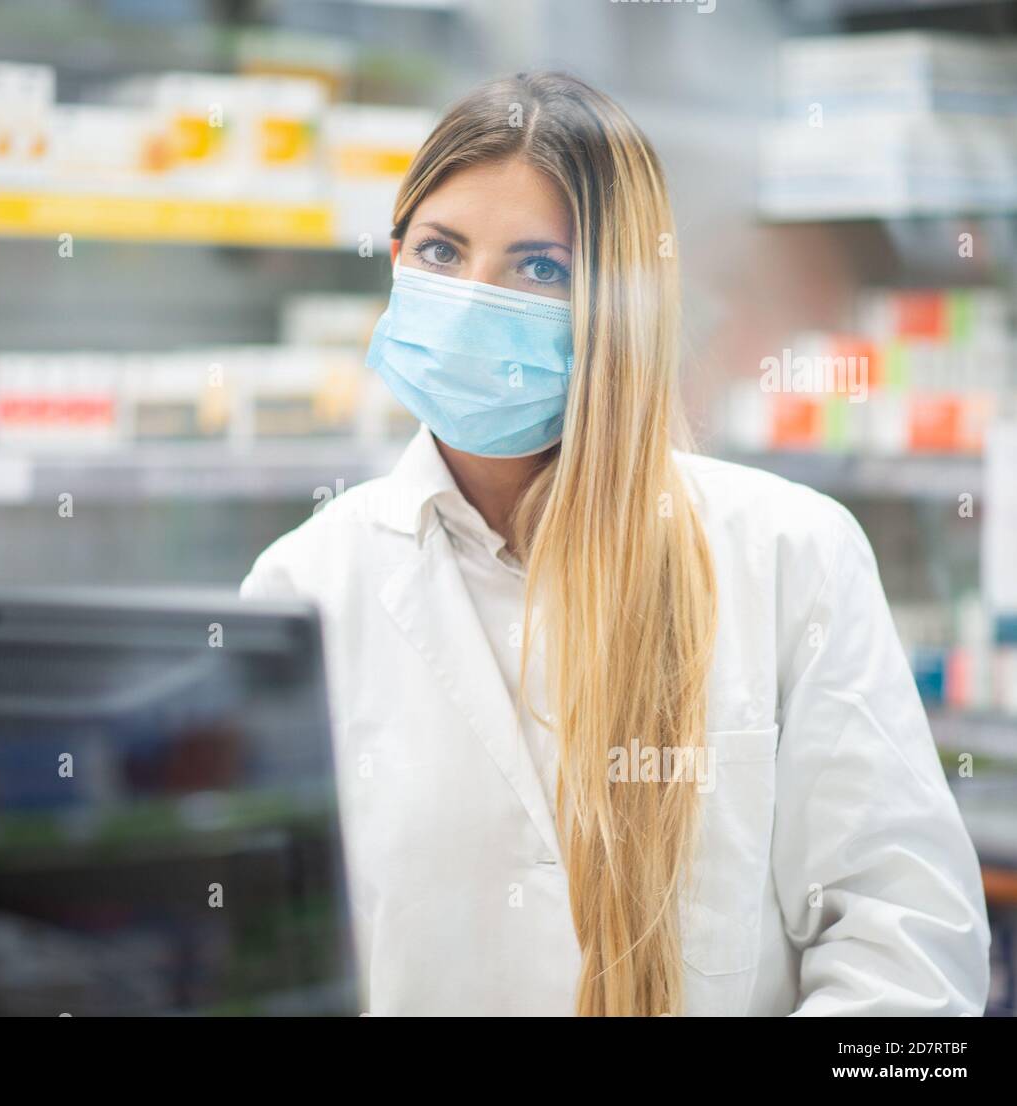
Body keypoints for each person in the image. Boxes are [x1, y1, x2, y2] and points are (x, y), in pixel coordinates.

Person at [240, 71, 990, 1016]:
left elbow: (909, 952)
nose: (473, 302)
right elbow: (260, 954)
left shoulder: (790, 556)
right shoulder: (304, 584)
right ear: (394, 258)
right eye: (441, 251)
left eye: (537, 267)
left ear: (623, 301)